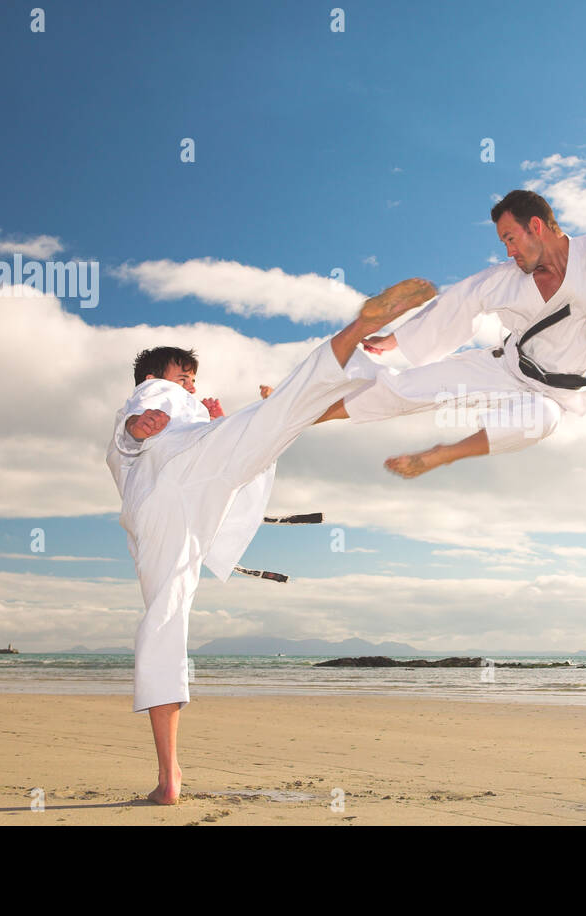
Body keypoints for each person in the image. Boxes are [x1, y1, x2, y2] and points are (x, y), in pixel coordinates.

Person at [106, 277, 435, 804]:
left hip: (188, 492)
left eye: (191, 378)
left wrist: (217, 424)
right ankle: (348, 347)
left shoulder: (184, 407)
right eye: (182, 376)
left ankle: (170, 777)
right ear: (153, 376)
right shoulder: (152, 392)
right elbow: (125, 438)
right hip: (171, 486)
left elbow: (169, 440)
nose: (188, 384)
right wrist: (137, 429)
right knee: (274, 417)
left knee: (166, 620)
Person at [313, 190, 586, 477]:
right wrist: (396, 339)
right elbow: (457, 301)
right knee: (408, 388)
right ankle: (308, 411)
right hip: (504, 366)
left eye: (511, 238)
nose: (509, 252)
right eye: (503, 243)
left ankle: (442, 455)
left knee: (542, 421)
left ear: (536, 227)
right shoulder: (505, 278)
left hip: (556, 391)